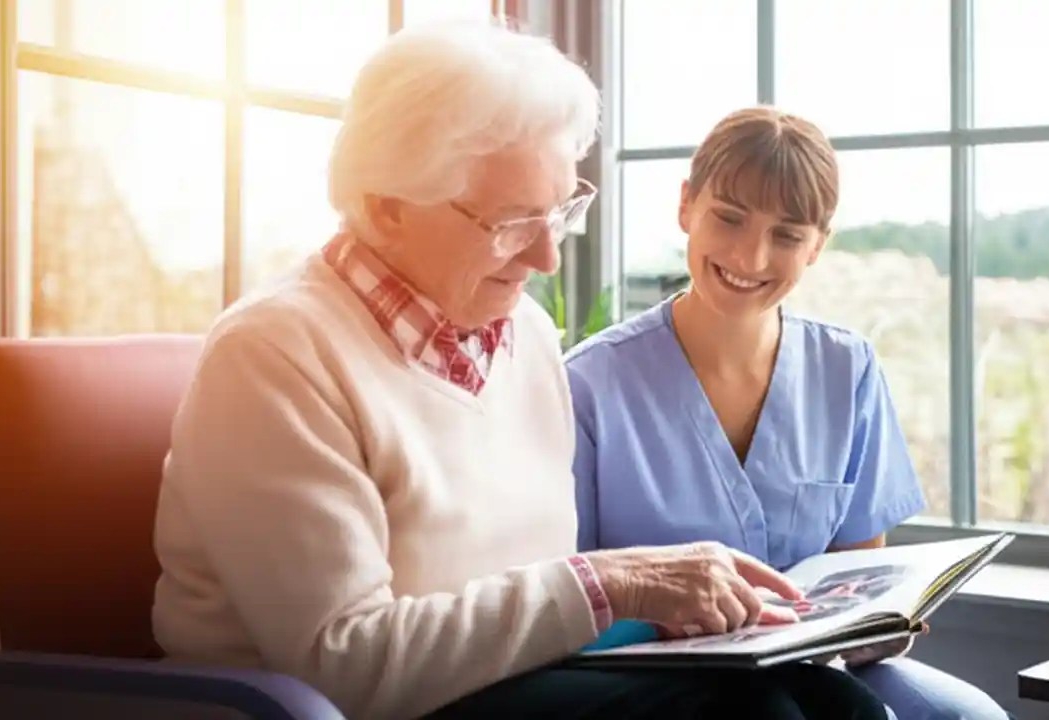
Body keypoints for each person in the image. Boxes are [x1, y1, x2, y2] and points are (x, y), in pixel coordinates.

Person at [150, 19, 896, 720]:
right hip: (363, 707)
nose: (547, 257)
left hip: (517, 681)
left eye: (558, 211)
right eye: (511, 223)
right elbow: (342, 665)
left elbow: (536, 596)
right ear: (385, 209)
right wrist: (612, 584)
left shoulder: (525, 334)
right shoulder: (275, 355)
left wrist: (658, 615)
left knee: (836, 703)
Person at [566, 106, 1013, 720]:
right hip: (654, 677)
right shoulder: (590, 383)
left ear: (818, 246)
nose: (751, 258)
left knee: (970, 716)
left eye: (787, 235)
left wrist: (878, 626)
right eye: (729, 219)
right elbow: (567, 601)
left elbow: (861, 572)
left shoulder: (846, 370)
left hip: (808, 666)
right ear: (686, 206)